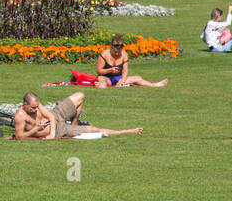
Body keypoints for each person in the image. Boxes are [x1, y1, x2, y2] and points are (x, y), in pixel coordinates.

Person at [12, 92, 143, 139]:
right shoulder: (20, 116)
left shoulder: (35, 103)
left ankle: (74, 123)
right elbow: (19, 136)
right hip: (60, 129)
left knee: (80, 96)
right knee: (94, 130)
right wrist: (35, 130)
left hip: (56, 114)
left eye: (37, 107)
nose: (36, 110)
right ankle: (125, 132)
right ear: (25, 104)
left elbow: (51, 117)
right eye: (33, 108)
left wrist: (50, 134)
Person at [95, 35, 167, 87]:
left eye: (119, 51)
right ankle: (102, 85)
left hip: (119, 77)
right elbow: (99, 71)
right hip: (107, 77)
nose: (117, 53)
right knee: (101, 79)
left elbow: (125, 70)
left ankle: (154, 85)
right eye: (115, 51)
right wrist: (110, 70)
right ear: (111, 47)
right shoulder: (104, 54)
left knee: (138, 78)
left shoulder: (124, 54)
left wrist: (122, 81)